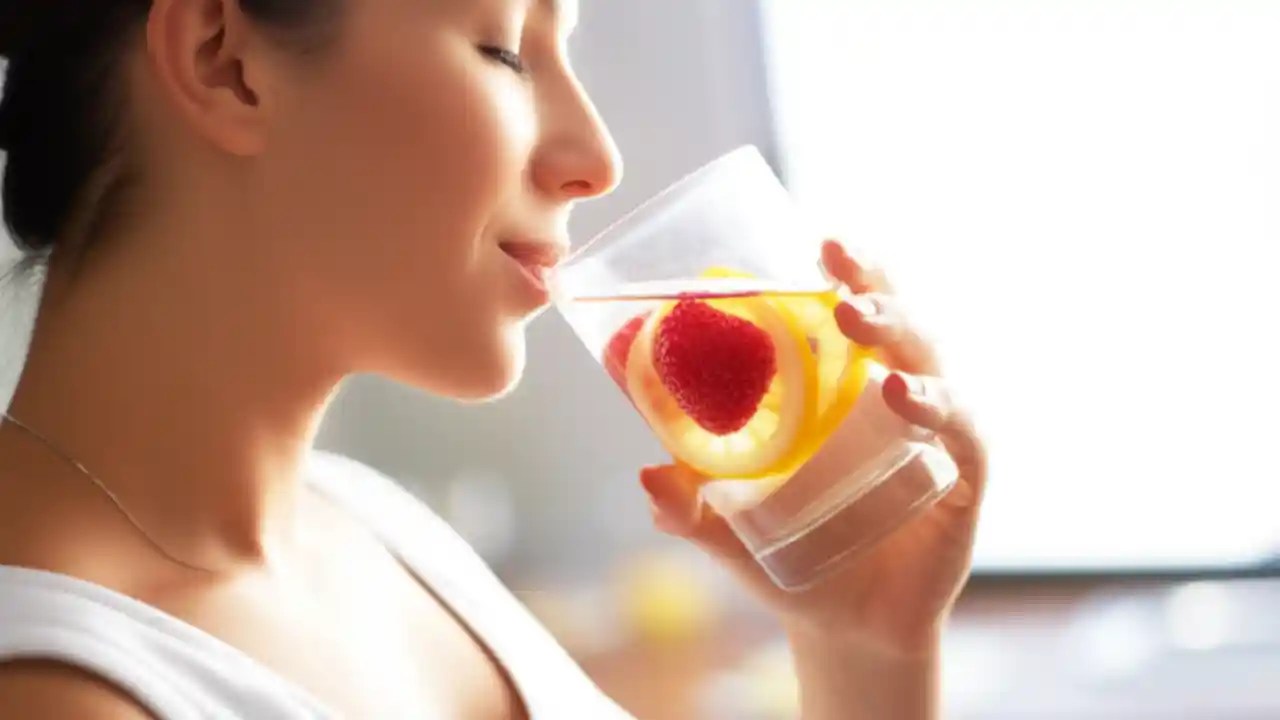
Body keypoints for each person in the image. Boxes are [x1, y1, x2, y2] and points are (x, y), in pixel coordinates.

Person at [0, 0, 988, 717]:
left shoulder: (378, 529)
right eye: (506, 47)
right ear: (224, 61)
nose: (596, 157)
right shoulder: (60, 694)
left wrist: (864, 652)